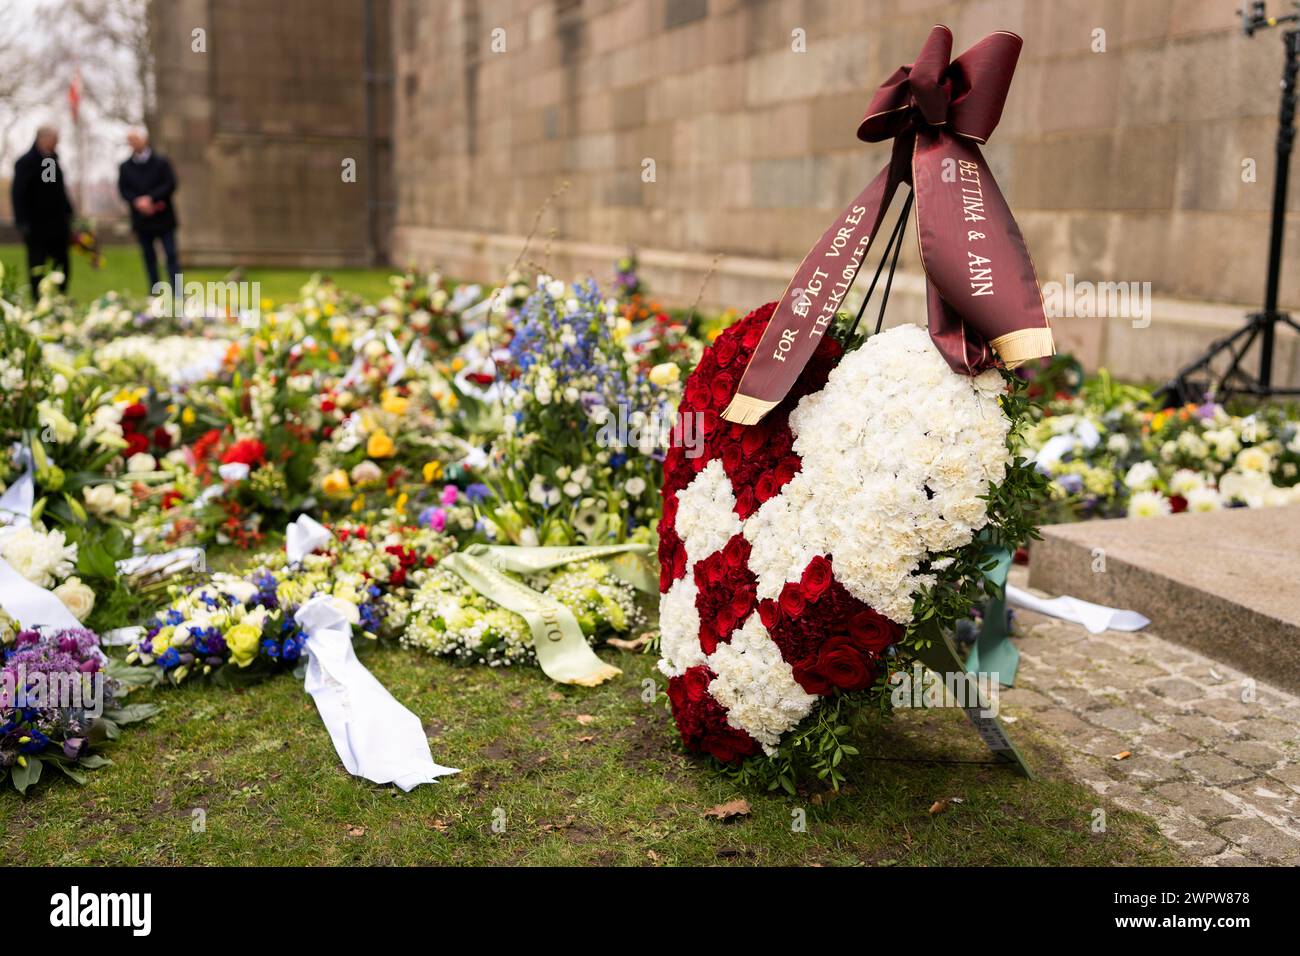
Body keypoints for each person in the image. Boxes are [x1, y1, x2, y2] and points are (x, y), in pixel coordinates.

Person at [10, 125, 73, 298]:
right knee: (37, 265)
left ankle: (60, 298)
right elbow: (18, 194)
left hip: (57, 227)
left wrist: (69, 212)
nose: (58, 143)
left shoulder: (50, 162)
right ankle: (38, 301)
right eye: (55, 139)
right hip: (36, 227)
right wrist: (22, 222)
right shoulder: (26, 163)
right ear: (43, 139)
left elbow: (54, 192)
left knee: (62, 264)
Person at [117, 129, 180, 295]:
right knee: (148, 258)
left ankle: (178, 292)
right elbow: (124, 190)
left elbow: (170, 184)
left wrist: (150, 198)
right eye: (130, 141)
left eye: (135, 139)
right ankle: (154, 292)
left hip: (163, 218)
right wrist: (138, 202)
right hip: (142, 220)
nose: (133, 143)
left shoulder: (161, 162)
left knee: (171, 255)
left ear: (144, 139)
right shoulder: (125, 167)